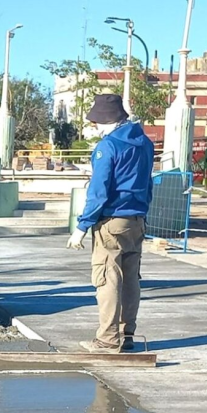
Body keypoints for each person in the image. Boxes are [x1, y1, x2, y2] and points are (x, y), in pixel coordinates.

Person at [67, 94, 154, 354]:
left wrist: (82, 227)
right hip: (136, 219)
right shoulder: (145, 143)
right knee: (130, 281)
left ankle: (107, 339)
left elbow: (99, 191)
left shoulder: (108, 147)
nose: (95, 127)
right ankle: (127, 335)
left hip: (111, 221)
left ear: (105, 120)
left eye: (95, 122)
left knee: (108, 279)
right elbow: (148, 182)